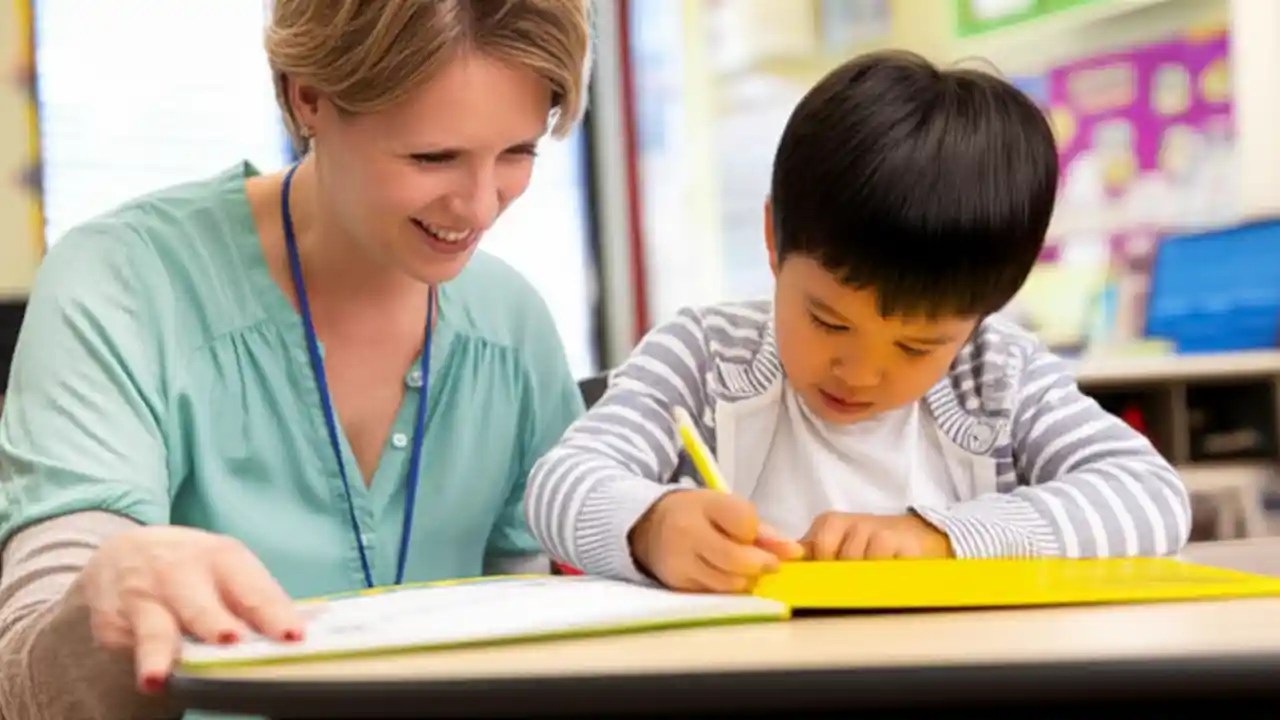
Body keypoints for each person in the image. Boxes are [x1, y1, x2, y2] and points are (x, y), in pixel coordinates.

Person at [0, 1, 590, 717]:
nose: (479, 207)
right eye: (432, 157)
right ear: (305, 95)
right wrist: (108, 606)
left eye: (518, 153)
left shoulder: (512, 325)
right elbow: (28, 687)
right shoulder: (120, 287)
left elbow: (544, 642)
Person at [524, 50, 1192, 593]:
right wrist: (651, 525)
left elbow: (1151, 497)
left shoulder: (997, 376)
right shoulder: (703, 358)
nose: (861, 370)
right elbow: (559, 483)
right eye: (828, 321)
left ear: (981, 316)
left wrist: (945, 538)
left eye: (917, 345)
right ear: (771, 238)